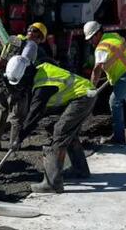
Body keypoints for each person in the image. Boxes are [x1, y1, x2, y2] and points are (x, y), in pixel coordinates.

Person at [6, 55, 97, 193]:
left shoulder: (43, 86)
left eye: (21, 82)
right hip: (82, 94)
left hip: (83, 97)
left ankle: (53, 183)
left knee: (60, 132)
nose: (21, 86)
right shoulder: (41, 71)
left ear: (26, 74)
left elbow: (34, 114)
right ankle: (80, 170)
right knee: (63, 130)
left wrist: (19, 138)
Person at [84, 20, 126, 144]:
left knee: (114, 101)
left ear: (97, 34)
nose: (90, 42)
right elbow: (124, 48)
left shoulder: (101, 48)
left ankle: (119, 137)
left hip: (125, 75)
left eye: (91, 38)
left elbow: (97, 70)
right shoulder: (114, 36)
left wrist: (91, 88)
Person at [0, 41, 38, 151]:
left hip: (2, 86)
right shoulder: (29, 66)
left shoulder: (12, 51)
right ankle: (13, 145)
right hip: (17, 91)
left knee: (2, 111)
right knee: (17, 118)